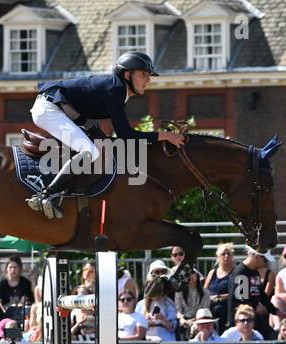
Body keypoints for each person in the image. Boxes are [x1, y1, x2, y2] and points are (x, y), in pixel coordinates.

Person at [26, 50, 186, 218]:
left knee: (103, 146)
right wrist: (166, 136)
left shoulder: (118, 90)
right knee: (89, 151)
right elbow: (126, 135)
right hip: (51, 108)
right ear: (127, 75)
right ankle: (45, 195)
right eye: (144, 75)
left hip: (68, 110)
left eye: (149, 76)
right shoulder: (115, 90)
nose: (148, 80)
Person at [203, 243, 238, 331]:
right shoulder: (212, 272)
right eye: (223, 254)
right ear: (218, 257)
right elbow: (204, 291)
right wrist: (210, 298)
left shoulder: (236, 272)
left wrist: (219, 297)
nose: (226, 256)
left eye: (228, 254)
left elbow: (238, 293)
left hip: (228, 305)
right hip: (211, 304)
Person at [173, 267, 211, 341]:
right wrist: (184, 321)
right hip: (185, 320)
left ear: (197, 275)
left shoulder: (206, 293)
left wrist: (197, 321)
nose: (190, 276)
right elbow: (178, 310)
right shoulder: (179, 292)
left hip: (201, 319)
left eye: (193, 273)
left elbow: (205, 309)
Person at [0, 256, 34, 324]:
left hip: (22, 312)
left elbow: (25, 299)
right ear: (6, 269)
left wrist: (15, 309)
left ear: (20, 269)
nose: (13, 270)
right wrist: (2, 309)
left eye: (15, 267)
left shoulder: (25, 283)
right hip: (5, 311)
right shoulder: (2, 283)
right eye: (10, 267)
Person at [138, 277, 178, 342]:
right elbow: (137, 327)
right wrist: (145, 321)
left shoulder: (168, 302)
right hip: (147, 338)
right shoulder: (141, 304)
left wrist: (163, 319)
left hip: (166, 338)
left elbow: (172, 328)